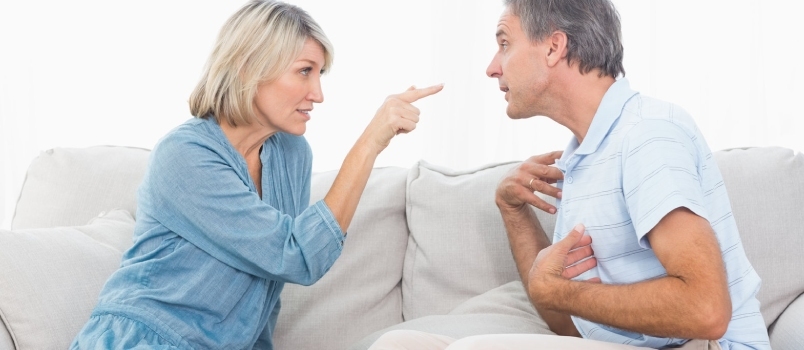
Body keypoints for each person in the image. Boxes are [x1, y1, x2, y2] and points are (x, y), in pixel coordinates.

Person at [368, 0, 769, 349]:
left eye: (504, 43)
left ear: (554, 47)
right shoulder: (583, 155)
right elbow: (569, 325)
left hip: (709, 345)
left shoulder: (647, 133)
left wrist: (558, 289)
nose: (492, 68)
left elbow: (706, 311)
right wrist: (513, 212)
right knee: (396, 343)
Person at [69, 1, 442, 349]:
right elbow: (295, 256)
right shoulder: (184, 155)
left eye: (320, 74)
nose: (318, 93)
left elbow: (263, 292)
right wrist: (368, 145)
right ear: (249, 67)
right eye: (304, 71)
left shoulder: (291, 154)